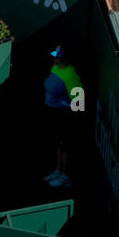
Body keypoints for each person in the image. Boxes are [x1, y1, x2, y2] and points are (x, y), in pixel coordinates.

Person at [42, 45, 81, 188]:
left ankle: (66, 176)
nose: (53, 58)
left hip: (64, 115)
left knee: (65, 145)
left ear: (64, 58)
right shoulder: (55, 68)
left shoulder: (70, 74)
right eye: (54, 55)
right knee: (58, 144)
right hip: (53, 113)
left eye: (57, 56)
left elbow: (78, 99)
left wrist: (72, 119)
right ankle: (58, 171)